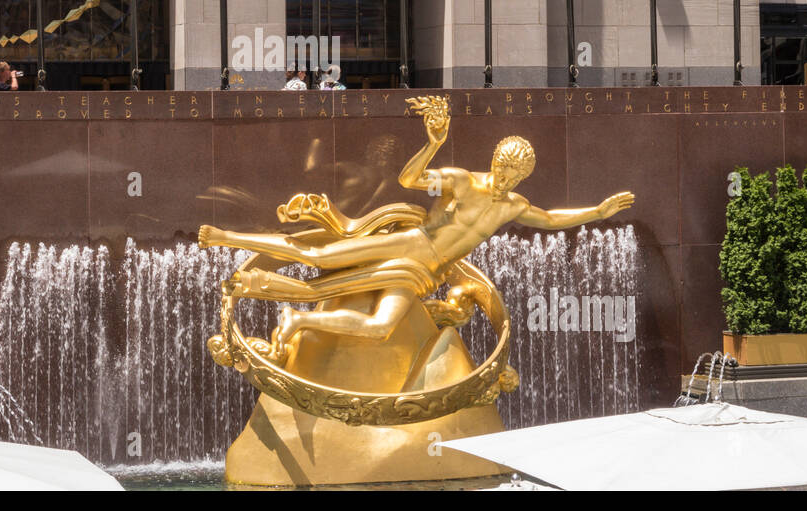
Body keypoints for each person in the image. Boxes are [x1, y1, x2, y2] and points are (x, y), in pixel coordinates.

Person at [200, 96, 634, 360]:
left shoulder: (512, 205)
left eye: (515, 173)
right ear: (495, 160)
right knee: (315, 255)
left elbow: (551, 219)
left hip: (423, 275)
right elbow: (409, 181)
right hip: (409, 244)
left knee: (380, 327)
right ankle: (227, 239)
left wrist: (597, 211)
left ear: (523, 177)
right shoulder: (463, 181)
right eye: (504, 167)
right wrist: (433, 143)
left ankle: (298, 321)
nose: (506, 177)